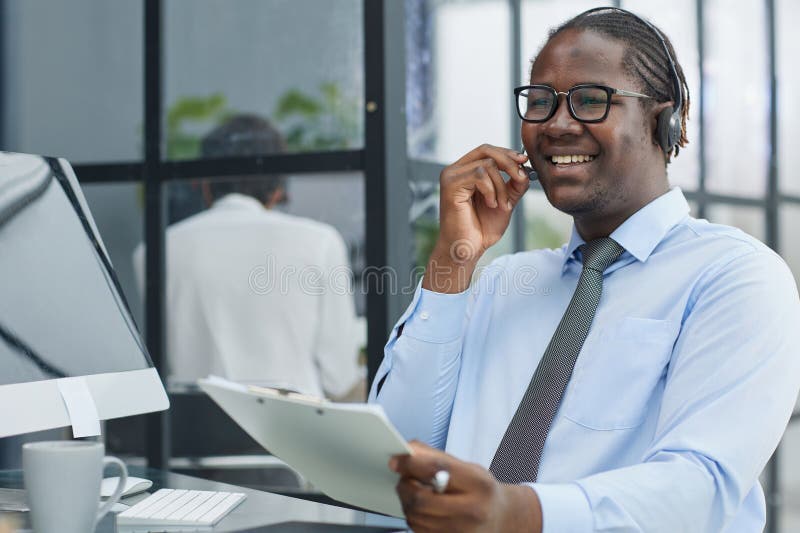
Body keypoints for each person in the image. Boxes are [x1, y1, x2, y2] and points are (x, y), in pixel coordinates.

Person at [369, 8, 800, 532]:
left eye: (591, 100)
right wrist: (451, 258)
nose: (557, 124)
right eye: (541, 102)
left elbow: (702, 486)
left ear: (665, 121)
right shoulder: (504, 282)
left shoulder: (735, 278)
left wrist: (522, 513)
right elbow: (396, 448)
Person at [133, 114, 364, 400]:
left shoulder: (154, 251)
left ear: (204, 183)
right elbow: (339, 377)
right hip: (294, 433)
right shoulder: (320, 242)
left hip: (192, 435)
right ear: (278, 189)